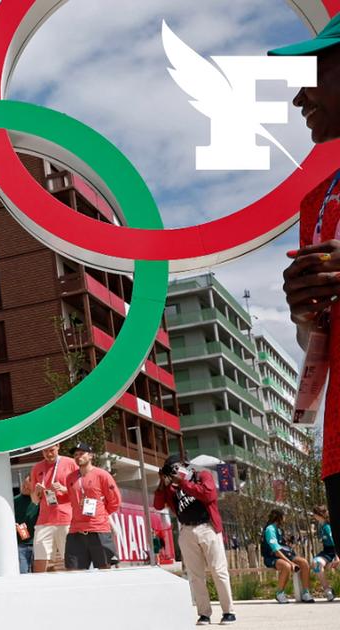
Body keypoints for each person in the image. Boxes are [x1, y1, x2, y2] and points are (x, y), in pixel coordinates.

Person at [273, 12, 340, 542]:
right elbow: (315, 338)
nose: (298, 98)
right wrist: (303, 313)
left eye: (312, 73)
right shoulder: (316, 200)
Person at [152, 454, 235, 626]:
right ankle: (204, 613)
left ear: (184, 465)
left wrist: (183, 483)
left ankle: (228, 611)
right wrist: (162, 482)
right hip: (187, 530)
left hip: (207, 528)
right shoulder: (170, 488)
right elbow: (158, 505)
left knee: (218, 571)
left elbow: (209, 495)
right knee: (196, 576)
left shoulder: (201, 476)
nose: (174, 472)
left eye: (176, 468)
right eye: (171, 470)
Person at [63, 443, 121, 571]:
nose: (78, 457)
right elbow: (72, 501)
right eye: (76, 455)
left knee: (104, 569)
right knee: (73, 570)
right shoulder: (70, 478)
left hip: (98, 529)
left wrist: (101, 514)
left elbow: (115, 501)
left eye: (81, 454)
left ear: (90, 456)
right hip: (76, 530)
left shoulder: (102, 475)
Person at [28, 443, 78, 572]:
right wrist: (37, 492)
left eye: (51, 450)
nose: (49, 454)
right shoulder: (37, 468)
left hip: (66, 519)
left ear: (58, 446)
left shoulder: (71, 463)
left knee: (71, 561)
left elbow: (81, 491)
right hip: (44, 521)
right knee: (39, 561)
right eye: (45, 451)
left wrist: (64, 489)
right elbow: (34, 501)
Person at [261, 509, 315, 603]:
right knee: (286, 566)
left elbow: (282, 546)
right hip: (271, 557)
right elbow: (276, 551)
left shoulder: (279, 529)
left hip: (284, 555)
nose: (285, 518)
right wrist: (291, 563)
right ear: (279, 518)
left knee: (304, 562)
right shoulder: (270, 529)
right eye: (284, 516)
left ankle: (306, 593)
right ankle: (279, 593)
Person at [311, 505, 337, 601]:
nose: (313, 516)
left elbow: (334, 542)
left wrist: (337, 557)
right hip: (327, 552)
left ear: (319, 515)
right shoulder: (320, 525)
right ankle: (327, 590)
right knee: (316, 563)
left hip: (335, 551)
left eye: (314, 514)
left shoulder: (327, 527)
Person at [14, 476, 39, 574]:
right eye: (23, 485)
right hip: (21, 544)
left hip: (37, 544)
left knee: (39, 574)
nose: (24, 487)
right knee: (23, 572)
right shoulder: (14, 500)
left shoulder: (40, 501)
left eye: (27, 486)